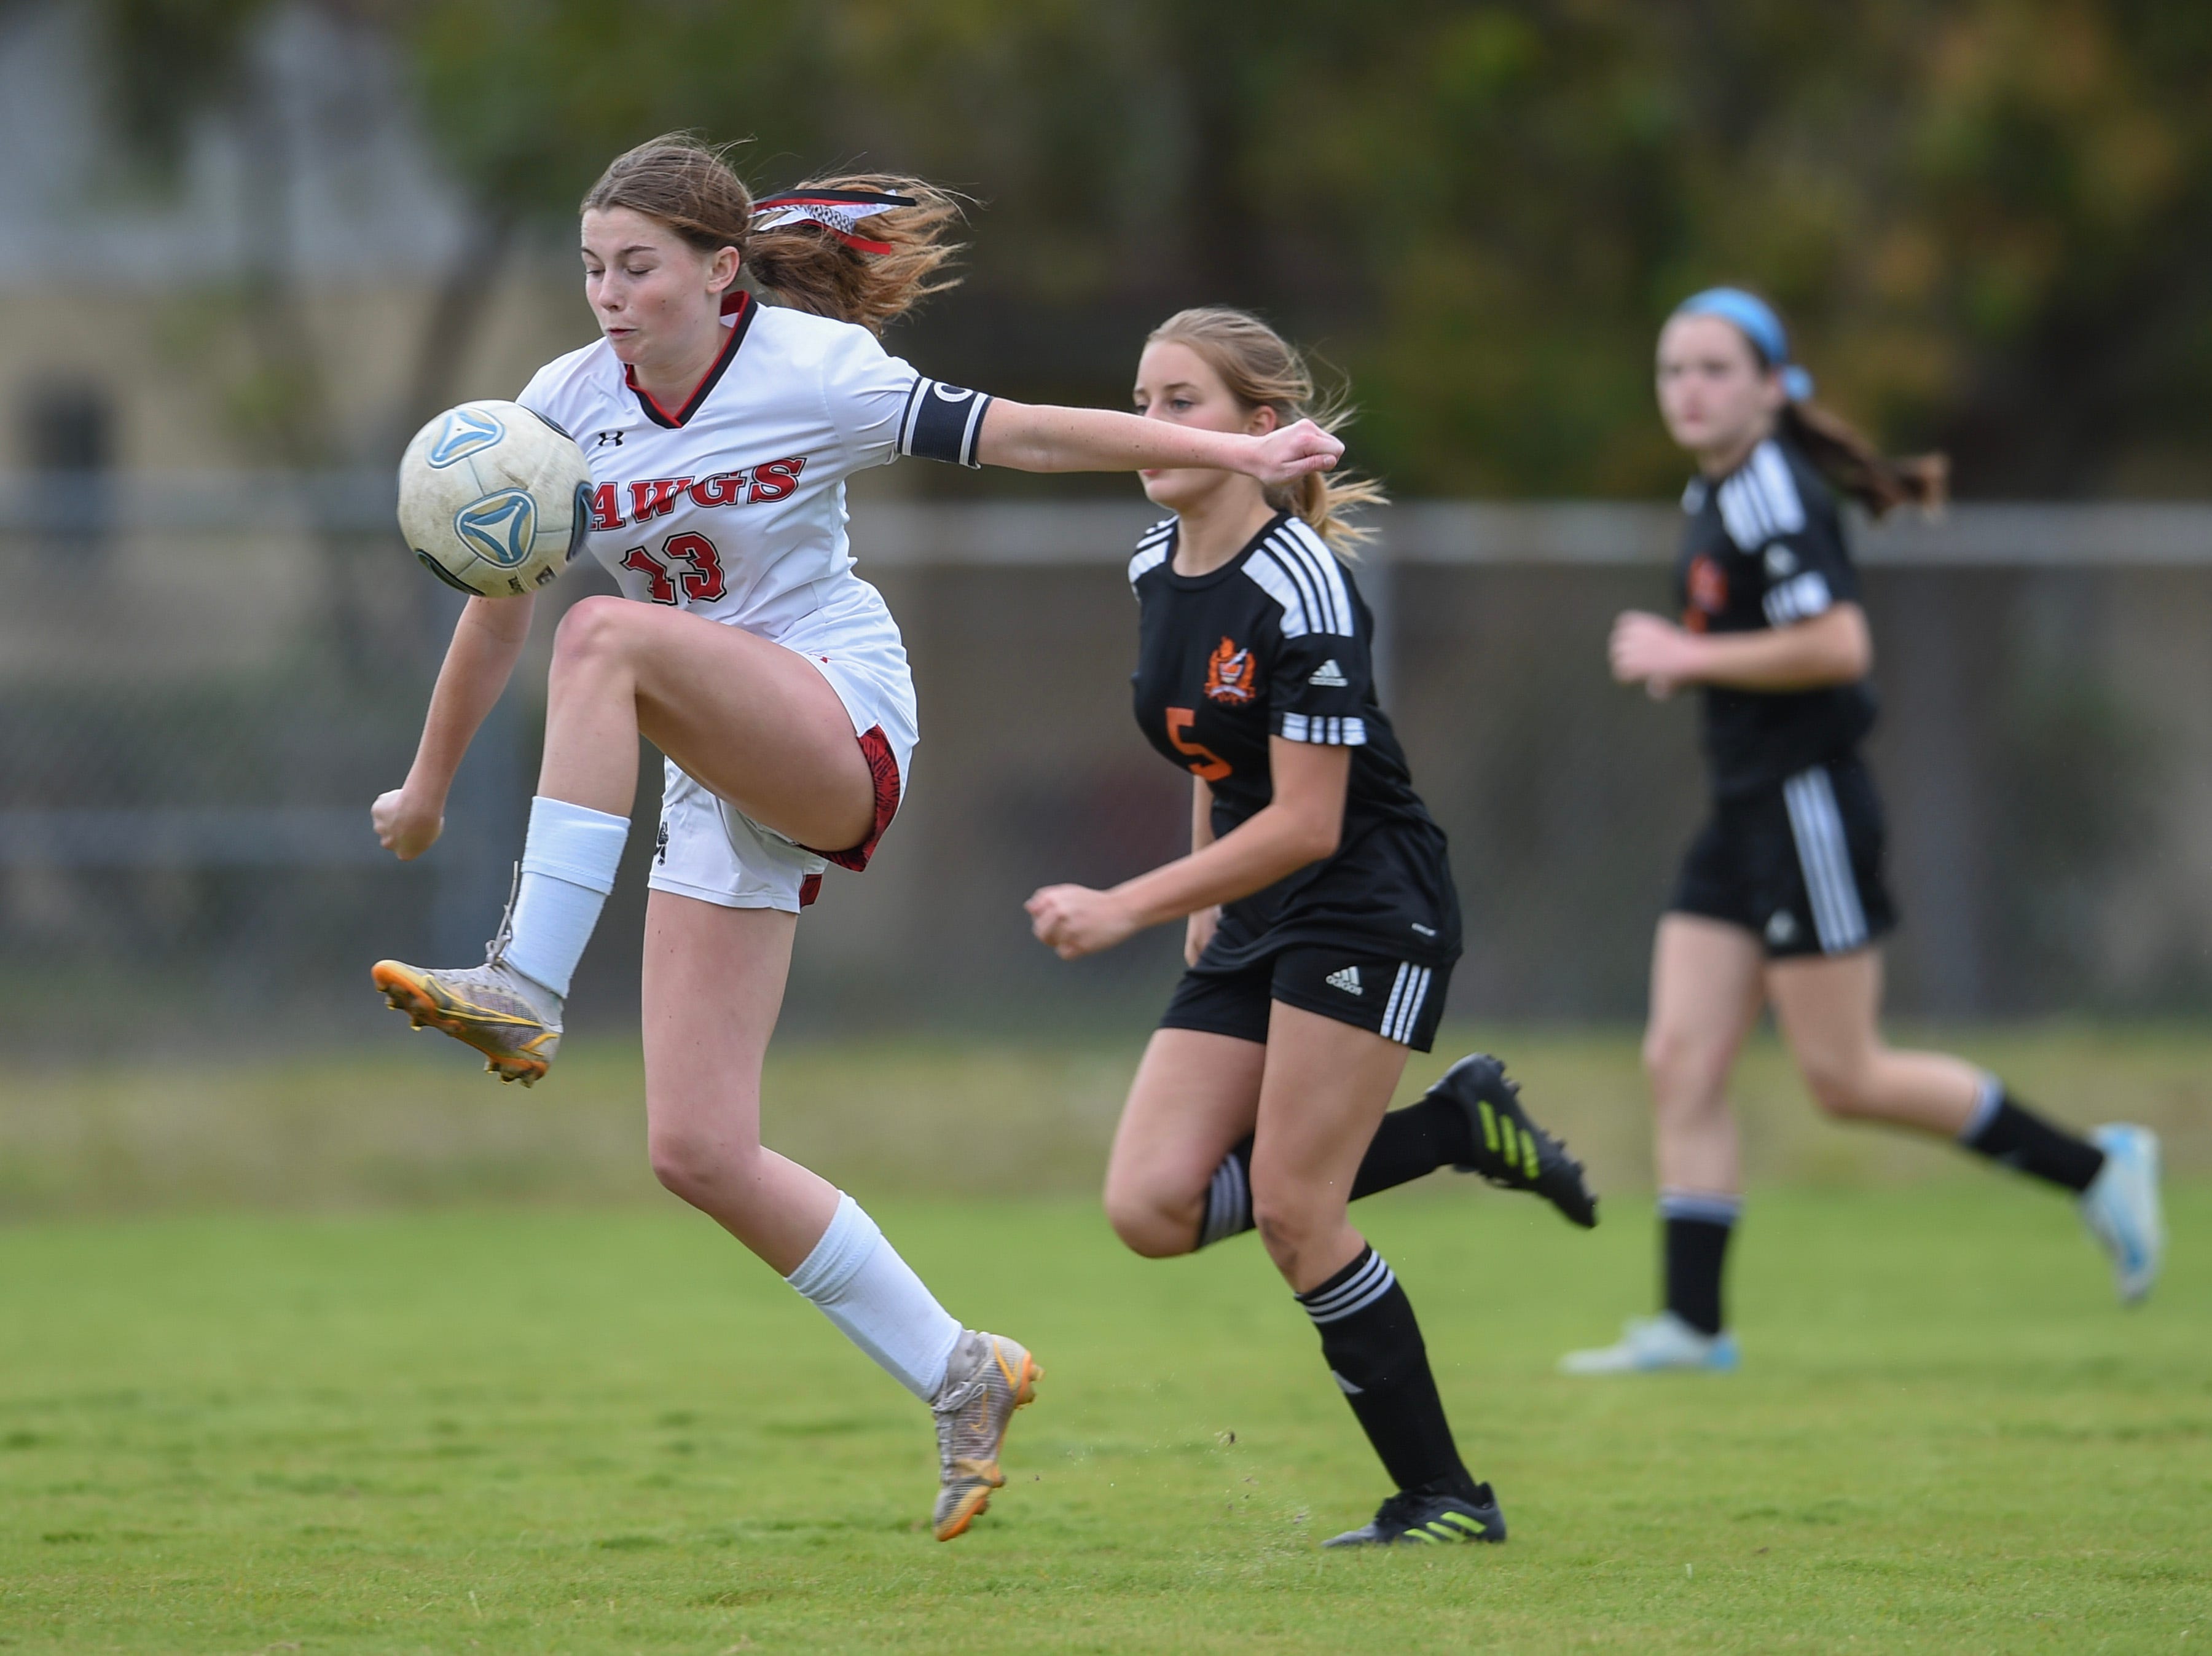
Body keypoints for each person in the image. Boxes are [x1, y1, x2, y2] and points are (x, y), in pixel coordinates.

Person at [366, 137, 1347, 1540]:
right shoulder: (560, 410)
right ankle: (961, 1369)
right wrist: (425, 784)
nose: (607, 294)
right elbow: (497, 604)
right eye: (591, 267)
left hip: (838, 716)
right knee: (698, 1149)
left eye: (637, 267)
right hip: (721, 768)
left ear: (720, 272)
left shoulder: (815, 372)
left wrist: (1233, 448)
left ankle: (526, 980)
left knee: (609, 639)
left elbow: (1030, 431)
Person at [1025, 307, 1597, 1550]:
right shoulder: (1151, 562)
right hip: (1253, 904)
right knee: (1153, 1206)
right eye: (1143, 397)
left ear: (1261, 432)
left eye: (1185, 400)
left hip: (1364, 899)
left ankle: (1447, 1499)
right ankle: (1457, 1124)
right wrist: (1199, 884)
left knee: (1294, 1208)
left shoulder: (1305, 584)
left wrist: (1133, 901)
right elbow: (1204, 749)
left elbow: (1307, 821)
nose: (1152, 423)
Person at [1561, 288, 2165, 1376]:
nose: (1688, 390)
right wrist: (1702, 662)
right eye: (1672, 370)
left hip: (1806, 807)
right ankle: (1693, 1328)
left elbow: (1838, 644)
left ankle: (2095, 1167)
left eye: (1712, 369)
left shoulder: (1773, 497)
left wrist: (1690, 658)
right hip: (1740, 811)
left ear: (1771, 386)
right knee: (1680, 1060)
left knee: (1844, 1076)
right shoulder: (1719, 492)